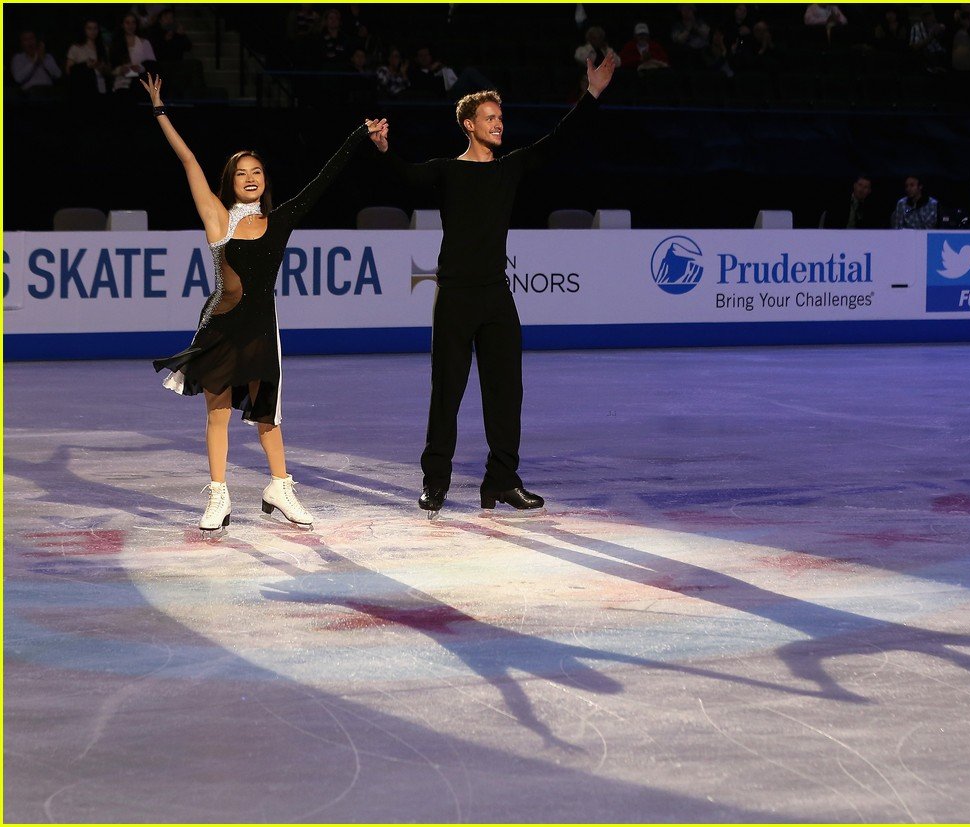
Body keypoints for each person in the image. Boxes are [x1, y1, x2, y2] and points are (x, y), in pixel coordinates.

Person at [368, 55, 616, 515]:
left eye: (500, 117)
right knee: (447, 392)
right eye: (489, 118)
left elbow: (559, 139)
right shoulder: (447, 170)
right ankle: (435, 482)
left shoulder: (509, 168)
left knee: (506, 391)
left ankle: (501, 481)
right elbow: (406, 175)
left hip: (496, 296)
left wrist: (593, 93)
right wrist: (383, 149)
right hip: (456, 297)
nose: (498, 124)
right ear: (468, 124)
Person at [142, 74, 378, 530]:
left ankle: (279, 487)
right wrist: (159, 110)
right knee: (218, 414)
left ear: (265, 180)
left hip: (261, 330)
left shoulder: (280, 220)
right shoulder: (218, 218)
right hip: (221, 326)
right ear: (230, 182)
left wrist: (358, 135)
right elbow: (189, 160)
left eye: (257, 172)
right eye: (241, 173)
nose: (250, 179)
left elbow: (325, 179)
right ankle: (218, 497)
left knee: (267, 414)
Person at [110, 13, 157, 94]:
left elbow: (152, 65)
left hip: (140, 85)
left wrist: (140, 68)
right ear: (122, 25)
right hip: (121, 85)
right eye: (127, 23)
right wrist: (120, 70)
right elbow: (111, 68)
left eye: (133, 22)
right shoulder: (116, 44)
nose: (130, 26)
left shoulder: (144, 43)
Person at [65, 19, 109, 96]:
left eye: (95, 28)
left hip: (100, 87)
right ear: (84, 30)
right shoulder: (76, 48)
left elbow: (109, 71)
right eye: (89, 28)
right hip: (83, 88)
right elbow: (69, 70)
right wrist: (85, 66)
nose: (93, 31)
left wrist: (100, 66)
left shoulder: (103, 48)